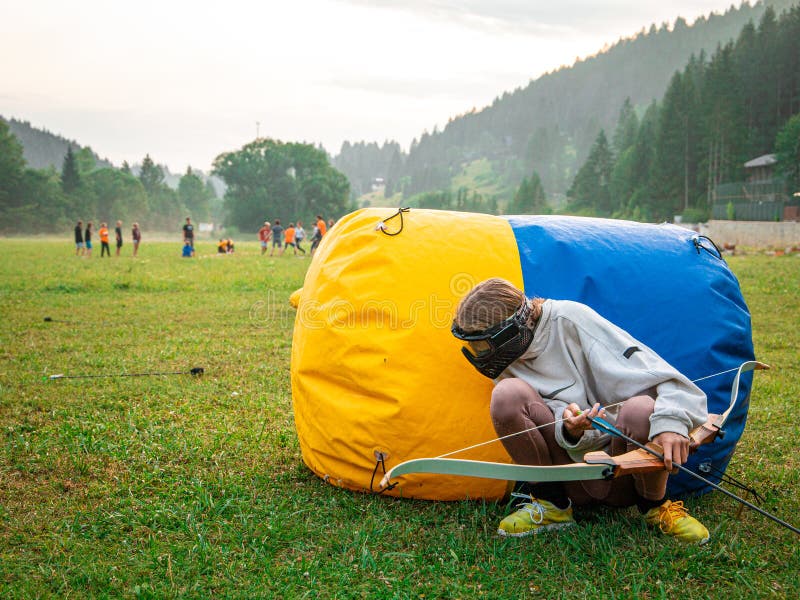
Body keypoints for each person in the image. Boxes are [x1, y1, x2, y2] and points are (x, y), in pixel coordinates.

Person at [451, 277, 710, 544]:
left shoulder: (572, 319)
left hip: (624, 474)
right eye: (474, 346)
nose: (481, 355)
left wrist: (670, 425)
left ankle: (655, 506)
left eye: (482, 346)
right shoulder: (504, 356)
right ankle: (552, 505)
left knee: (640, 409)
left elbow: (672, 383)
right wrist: (569, 429)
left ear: (511, 331)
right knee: (506, 395)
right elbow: (544, 418)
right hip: (569, 477)